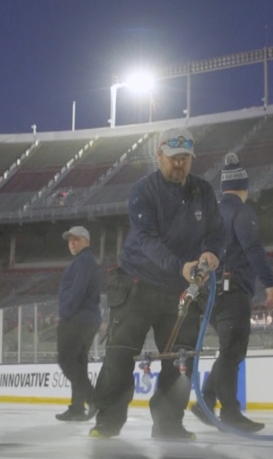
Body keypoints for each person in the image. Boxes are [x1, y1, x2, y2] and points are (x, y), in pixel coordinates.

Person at [89, 127, 225, 441]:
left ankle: (168, 424)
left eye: (186, 159)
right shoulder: (143, 191)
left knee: (181, 360)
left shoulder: (203, 191)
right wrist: (181, 267)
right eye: (174, 158)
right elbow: (147, 241)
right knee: (120, 355)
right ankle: (107, 422)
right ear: (159, 155)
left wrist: (212, 252)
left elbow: (217, 231)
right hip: (138, 285)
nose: (180, 164)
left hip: (181, 288)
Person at [190, 153, 273, 433]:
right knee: (232, 352)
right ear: (244, 188)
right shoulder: (243, 212)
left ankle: (206, 399)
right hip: (232, 291)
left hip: (209, 294)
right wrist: (270, 283)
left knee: (228, 351)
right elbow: (252, 248)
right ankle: (228, 411)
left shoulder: (211, 214)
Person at [54, 225, 102, 422]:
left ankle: (92, 398)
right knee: (79, 363)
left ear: (86, 241)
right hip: (86, 319)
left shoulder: (83, 262)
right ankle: (76, 407)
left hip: (77, 320)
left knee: (66, 359)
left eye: (77, 239)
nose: (72, 243)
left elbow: (77, 291)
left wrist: (65, 312)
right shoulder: (85, 261)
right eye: (70, 240)